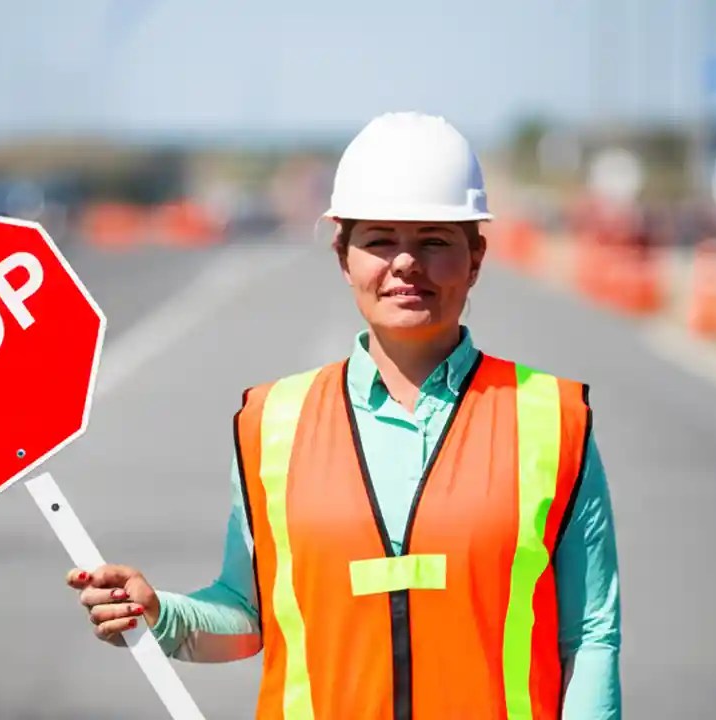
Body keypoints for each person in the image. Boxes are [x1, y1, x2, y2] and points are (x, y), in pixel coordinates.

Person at [67, 112, 622, 719]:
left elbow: (589, 635)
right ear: (343, 254)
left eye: (434, 239)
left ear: (476, 257)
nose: (407, 262)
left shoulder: (552, 420)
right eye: (380, 239)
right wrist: (157, 615)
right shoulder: (271, 422)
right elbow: (249, 614)